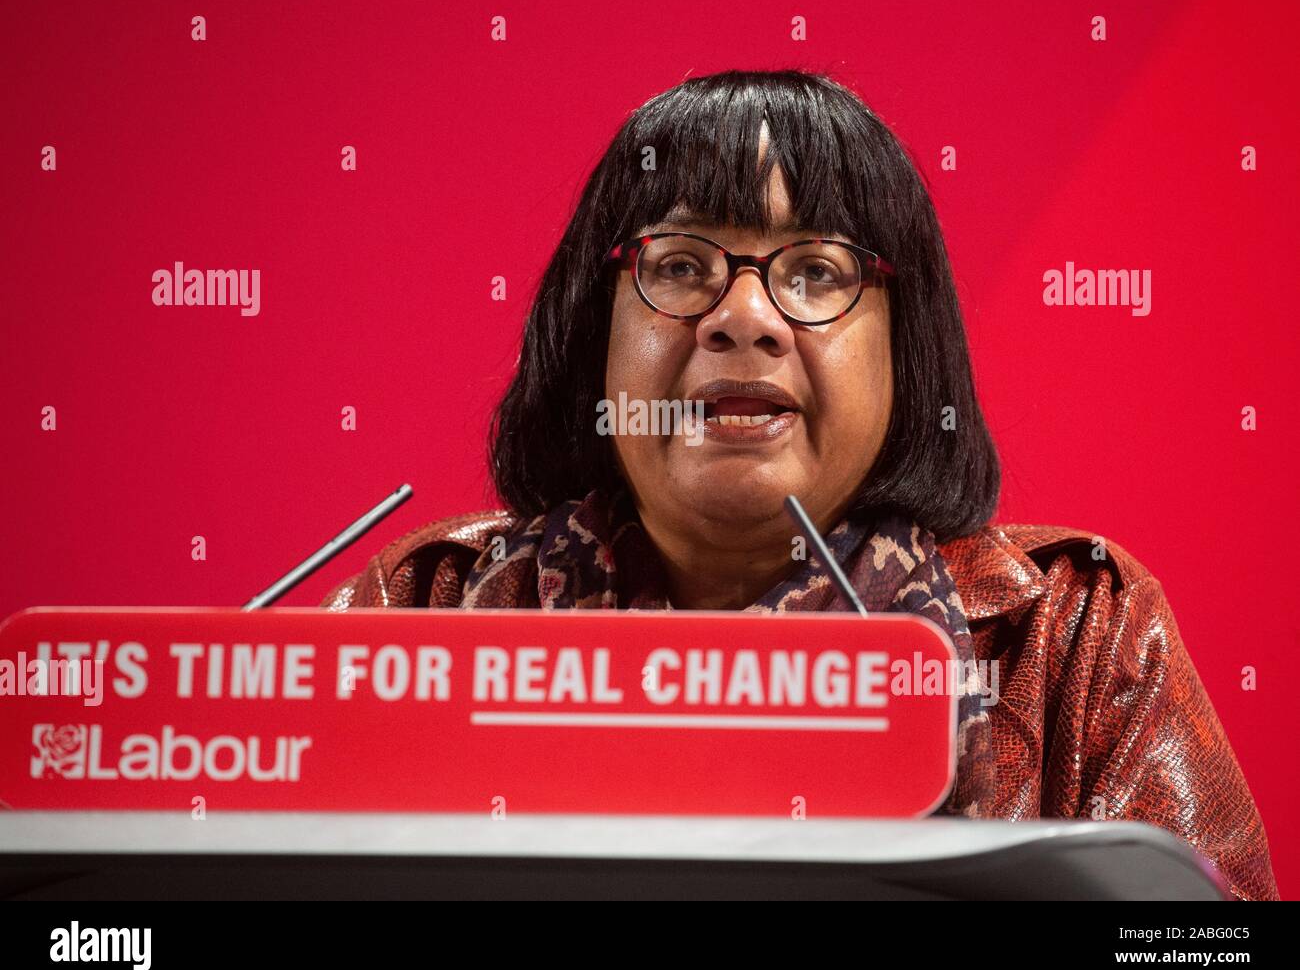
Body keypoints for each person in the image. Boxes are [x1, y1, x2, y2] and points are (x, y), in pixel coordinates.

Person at [322, 70, 1279, 900]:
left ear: (907, 348)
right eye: (680, 264)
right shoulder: (419, 607)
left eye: (818, 271)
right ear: (592, 332)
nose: (744, 319)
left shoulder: (1073, 638)